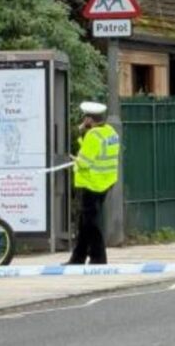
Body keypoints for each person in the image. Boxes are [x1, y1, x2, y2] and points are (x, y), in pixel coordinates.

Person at [66, 101, 120, 265]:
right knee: (85, 222)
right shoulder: (110, 132)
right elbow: (96, 152)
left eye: (85, 117)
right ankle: (78, 258)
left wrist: (75, 159)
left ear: (89, 119)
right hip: (106, 181)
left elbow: (85, 162)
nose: (83, 120)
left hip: (91, 183)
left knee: (90, 223)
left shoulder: (92, 136)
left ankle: (99, 257)